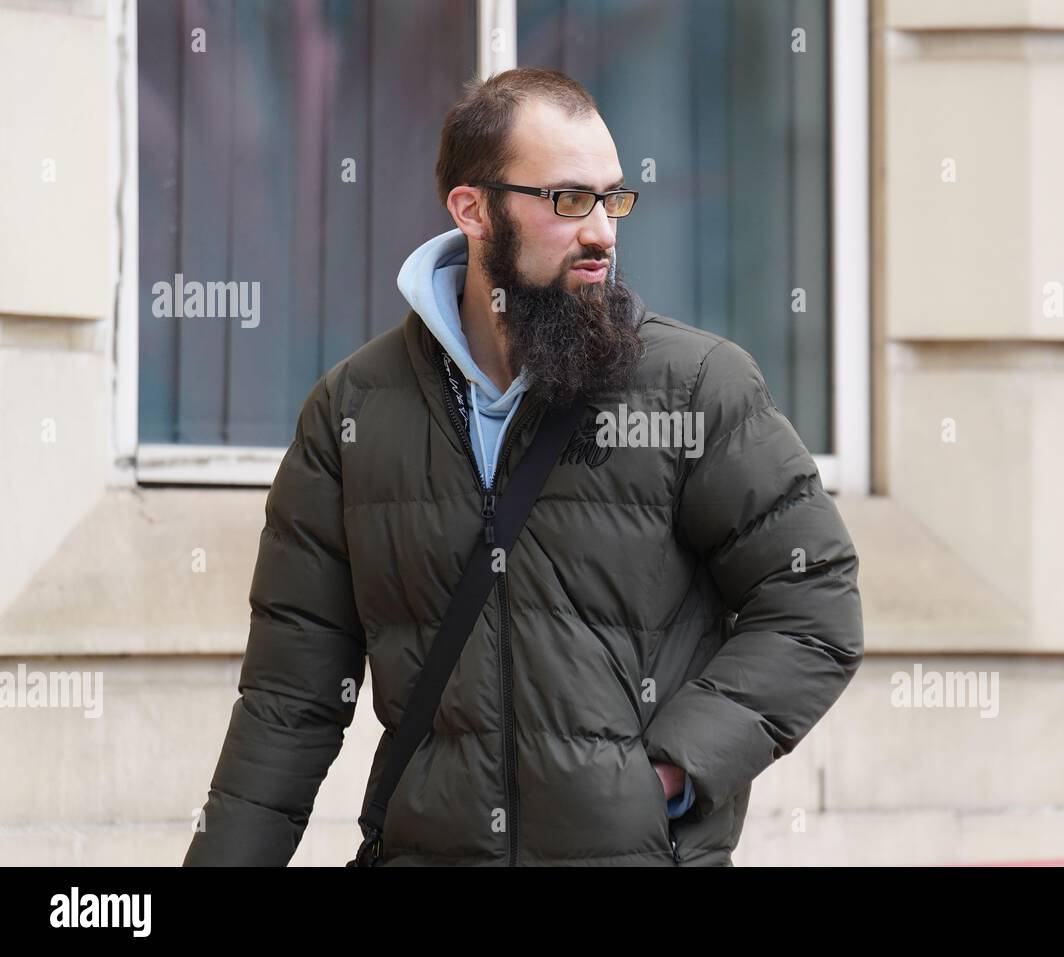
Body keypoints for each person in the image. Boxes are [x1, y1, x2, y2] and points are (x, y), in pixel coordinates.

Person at [183, 67, 863, 867]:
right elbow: (288, 698)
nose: (603, 231)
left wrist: (664, 776)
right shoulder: (353, 411)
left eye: (614, 198)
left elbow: (814, 602)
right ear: (473, 209)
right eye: (569, 200)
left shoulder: (698, 389)